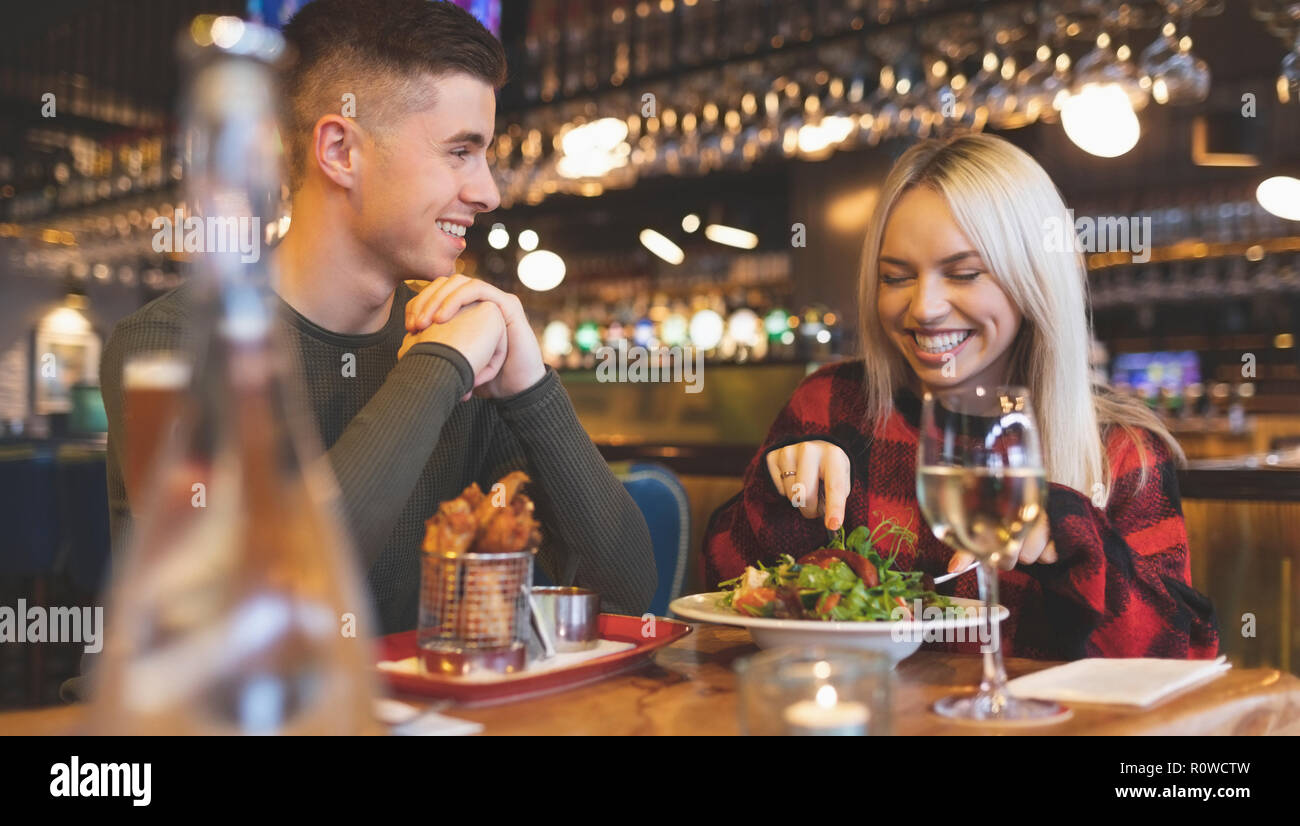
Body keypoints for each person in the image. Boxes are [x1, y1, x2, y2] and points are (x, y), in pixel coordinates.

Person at [98, 0, 657, 636]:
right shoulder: (165, 345)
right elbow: (258, 601)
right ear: (340, 150)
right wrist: (438, 366)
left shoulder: (461, 346)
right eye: (459, 152)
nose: (489, 192)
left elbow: (628, 598)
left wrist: (531, 389)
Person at [703, 133, 1219, 660]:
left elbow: (1181, 658)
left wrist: (1078, 544)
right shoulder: (833, 403)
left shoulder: (1118, 449)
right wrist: (779, 494)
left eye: (965, 274)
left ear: (1033, 280)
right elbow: (720, 590)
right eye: (896, 277)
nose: (924, 307)